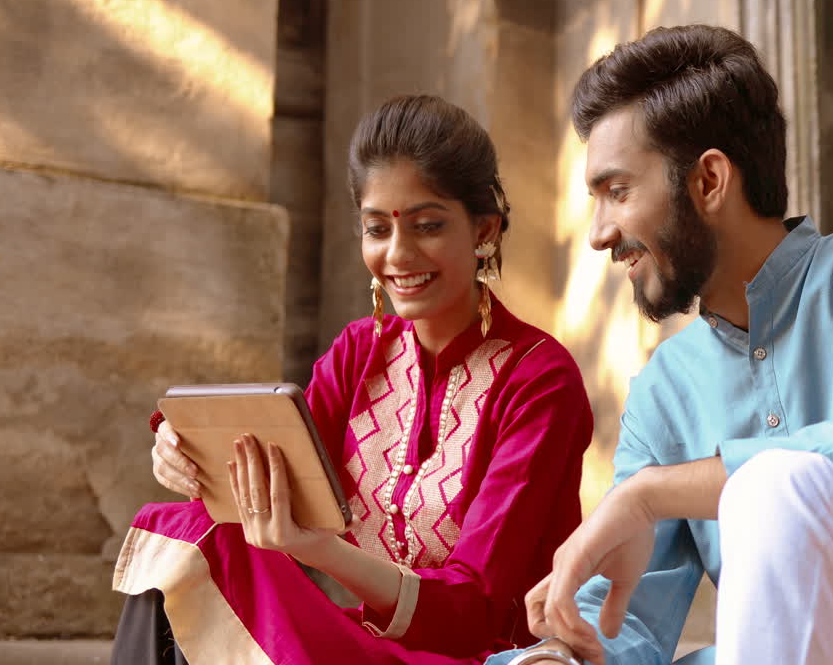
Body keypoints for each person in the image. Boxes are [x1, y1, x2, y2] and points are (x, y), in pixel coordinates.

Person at [489, 25, 833, 665]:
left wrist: (651, 492)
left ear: (708, 181)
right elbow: (628, 622)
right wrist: (559, 655)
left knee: (774, 488)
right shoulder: (664, 390)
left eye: (617, 192)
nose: (598, 234)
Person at [110, 95, 594, 665]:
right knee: (188, 528)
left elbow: (477, 608)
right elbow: (276, 464)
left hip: (492, 656)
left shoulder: (540, 379)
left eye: (428, 225)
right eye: (376, 228)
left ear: (483, 229)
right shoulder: (361, 352)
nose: (398, 253)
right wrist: (182, 448)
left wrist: (319, 550)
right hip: (374, 645)